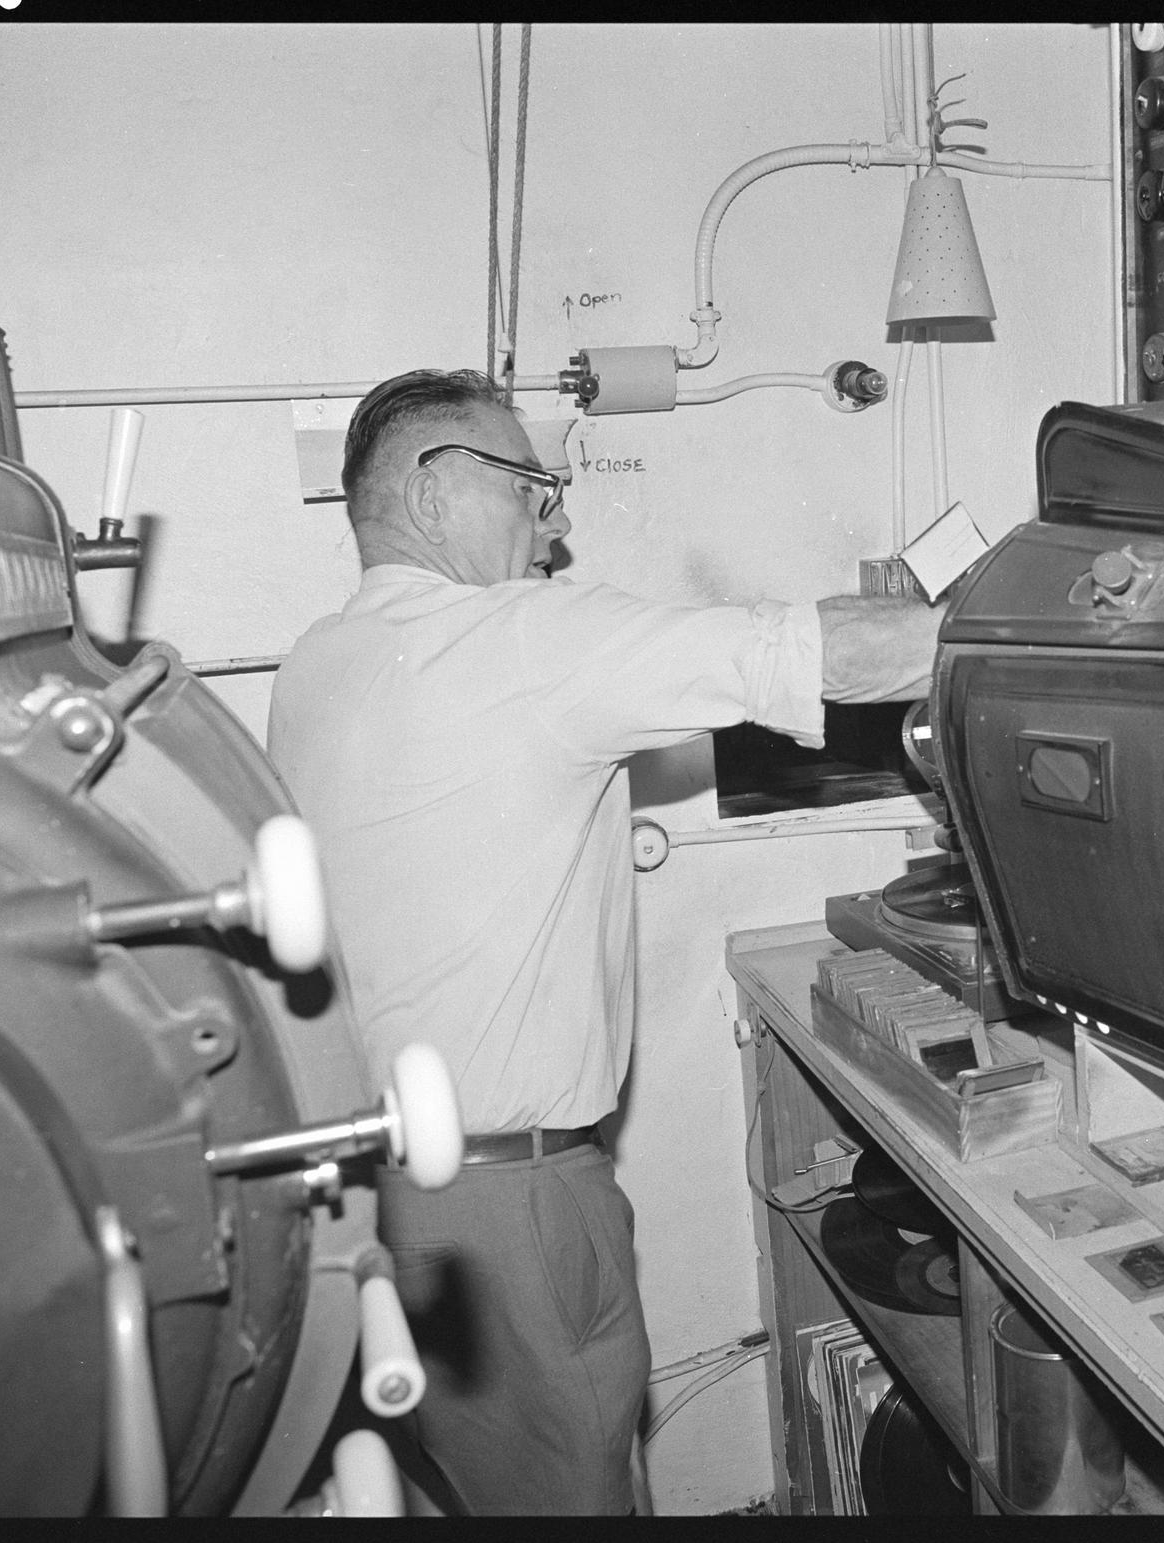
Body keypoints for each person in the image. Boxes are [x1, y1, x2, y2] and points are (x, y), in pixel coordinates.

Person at [266, 368, 940, 1514]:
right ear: (438, 492)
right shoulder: (517, 641)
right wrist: (1029, 629)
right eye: (534, 485)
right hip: (509, 1208)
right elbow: (813, 650)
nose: (557, 516)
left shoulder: (314, 664)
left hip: (371, 1195)